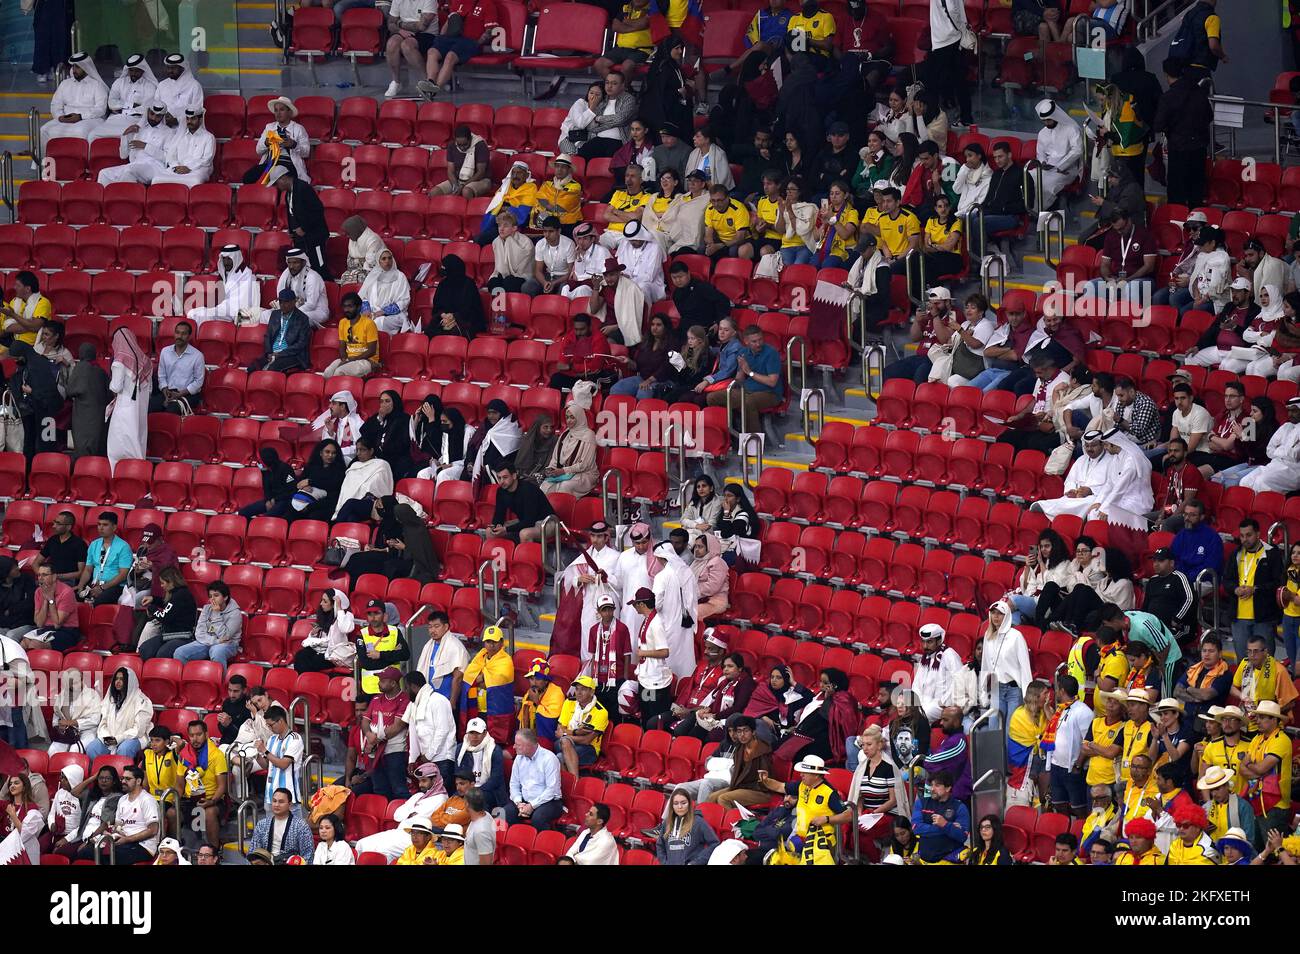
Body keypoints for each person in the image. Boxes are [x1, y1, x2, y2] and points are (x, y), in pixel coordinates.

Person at [1153, 58, 1213, 209]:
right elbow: (1209, 116)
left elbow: (1158, 125)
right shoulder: (1199, 92)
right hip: (1198, 147)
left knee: (1176, 191)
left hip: (1178, 148)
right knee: (1196, 189)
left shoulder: (1168, 98)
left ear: (1166, 75)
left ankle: (1177, 223)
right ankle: (1196, 222)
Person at [1239, 700, 1293, 839]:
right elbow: (1242, 770)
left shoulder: (1281, 740)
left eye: (1262, 717)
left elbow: (1261, 768)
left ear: (1274, 719)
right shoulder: (1256, 739)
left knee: (1274, 851)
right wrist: (1255, 769)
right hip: (1255, 800)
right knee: (1257, 848)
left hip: (1276, 805)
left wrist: (1250, 765)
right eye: (1258, 717)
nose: (1258, 721)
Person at [267, 166, 332, 279]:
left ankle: (328, 288)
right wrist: (292, 230)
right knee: (306, 269)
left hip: (315, 237)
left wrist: (304, 228)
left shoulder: (303, 188)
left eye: (277, 183)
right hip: (303, 239)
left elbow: (318, 210)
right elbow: (292, 213)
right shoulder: (288, 193)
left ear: (283, 178)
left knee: (319, 267)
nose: (277, 187)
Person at [39, 52, 108, 154]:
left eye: (78, 67)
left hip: (89, 119)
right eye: (73, 67)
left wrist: (80, 116)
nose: (74, 70)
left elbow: (100, 109)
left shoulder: (97, 85)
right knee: (44, 129)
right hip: (65, 118)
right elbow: (55, 104)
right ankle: (46, 164)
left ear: (86, 68)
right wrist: (60, 117)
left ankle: (79, 165)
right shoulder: (65, 84)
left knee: (80, 131)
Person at [462, 625, 515, 744]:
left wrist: (482, 678)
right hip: (478, 707)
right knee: (476, 740)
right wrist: (481, 679)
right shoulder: (480, 656)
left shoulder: (505, 661)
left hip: (495, 709)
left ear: (501, 642)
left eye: (495, 642)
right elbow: (470, 676)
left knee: (492, 742)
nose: (491, 645)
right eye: (488, 641)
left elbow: (497, 681)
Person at [245, 96, 310, 184]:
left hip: (289, 165)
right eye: (276, 110)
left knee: (277, 177)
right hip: (270, 164)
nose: (278, 113)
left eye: (282, 110)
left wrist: (294, 145)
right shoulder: (269, 127)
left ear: (289, 112)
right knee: (248, 177)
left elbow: (306, 152)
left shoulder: (298, 128)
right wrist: (266, 143)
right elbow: (258, 151)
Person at [382, 0, 439, 99]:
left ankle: (427, 83)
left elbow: (421, 27)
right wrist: (400, 30)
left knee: (407, 45)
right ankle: (396, 82)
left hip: (428, 35)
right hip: (404, 32)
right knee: (392, 43)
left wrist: (399, 23)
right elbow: (390, 23)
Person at [488, 463, 555, 545]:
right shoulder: (501, 491)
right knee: (490, 531)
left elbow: (529, 521)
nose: (501, 481)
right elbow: (499, 514)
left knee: (525, 534)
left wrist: (506, 529)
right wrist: (496, 525)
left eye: (505, 477)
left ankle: (528, 557)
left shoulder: (528, 490)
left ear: (514, 476)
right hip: (526, 520)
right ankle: (498, 557)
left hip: (547, 522)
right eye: (499, 478)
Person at [292, 589, 357, 673]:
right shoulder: (324, 615)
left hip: (333, 654)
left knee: (310, 662)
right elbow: (321, 638)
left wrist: (339, 609)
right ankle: (301, 682)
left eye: (325, 601)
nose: (321, 604)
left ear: (334, 604)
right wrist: (313, 634)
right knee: (300, 655)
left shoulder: (346, 615)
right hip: (321, 649)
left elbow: (345, 628)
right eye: (322, 600)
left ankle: (307, 682)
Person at [331, 438, 394, 522]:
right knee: (351, 518)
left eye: (362, 450)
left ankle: (333, 527)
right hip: (353, 503)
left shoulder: (381, 464)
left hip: (373, 503)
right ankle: (338, 533)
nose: (358, 453)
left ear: (371, 451)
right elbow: (347, 488)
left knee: (351, 503)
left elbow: (382, 486)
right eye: (357, 450)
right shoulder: (354, 466)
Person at [250, 788, 315, 864]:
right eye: (274, 801)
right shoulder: (261, 824)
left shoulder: (301, 826)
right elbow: (253, 850)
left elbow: (308, 855)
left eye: (281, 802)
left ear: (290, 804)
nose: (277, 805)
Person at [359, 392, 413, 480]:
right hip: (374, 456)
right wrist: (380, 419)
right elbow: (364, 432)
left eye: (387, 401)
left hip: (395, 458)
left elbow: (403, 443)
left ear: (394, 403)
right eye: (381, 402)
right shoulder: (378, 417)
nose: (384, 404)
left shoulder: (404, 419)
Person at [154, 55, 206, 127]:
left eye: (173, 68)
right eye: (168, 68)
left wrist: (177, 120)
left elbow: (197, 111)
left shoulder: (194, 86)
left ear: (182, 68)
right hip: (163, 127)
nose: (170, 71)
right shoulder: (162, 85)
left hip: (185, 128)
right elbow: (155, 106)